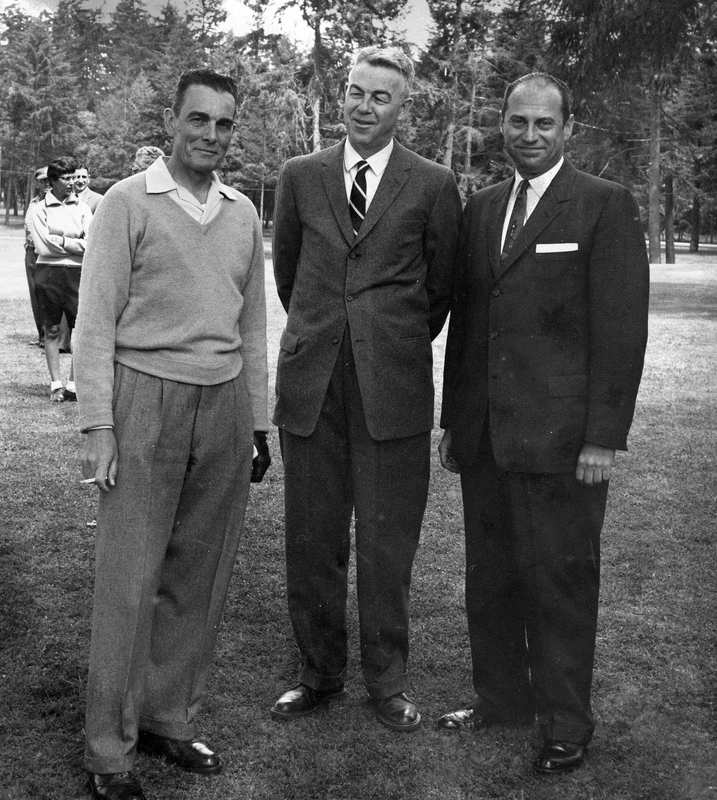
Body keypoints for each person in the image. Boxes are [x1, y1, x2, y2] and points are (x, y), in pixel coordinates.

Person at [437, 73, 649, 774]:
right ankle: (500, 701)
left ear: (567, 129)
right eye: (517, 122)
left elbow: (620, 333)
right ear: (501, 122)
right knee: (489, 577)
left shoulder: (602, 206)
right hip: (488, 438)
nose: (528, 136)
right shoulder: (482, 208)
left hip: (564, 445)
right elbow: (469, 326)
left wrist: (601, 438)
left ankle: (565, 724)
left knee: (558, 583)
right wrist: (453, 424)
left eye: (542, 125)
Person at [73, 68, 270, 800]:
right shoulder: (127, 203)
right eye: (199, 120)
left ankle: (167, 716)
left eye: (224, 123)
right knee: (129, 584)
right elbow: (93, 323)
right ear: (173, 122)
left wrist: (256, 422)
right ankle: (107, 750)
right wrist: (100, 426)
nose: (211, 136)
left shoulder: (243, 213)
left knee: (199, 576)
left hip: (221, 405)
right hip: (143, 401)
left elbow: (251, 326)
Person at [271, 46, 462, 732]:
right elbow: (288, 276)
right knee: (312, 540)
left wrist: (385, 341)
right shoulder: (299, 176)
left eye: (380, 97)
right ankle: (318, 675)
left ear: (401, 108)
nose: (362, 105)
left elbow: (437, 292)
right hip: (312, 386)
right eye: (354, 91)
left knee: (387, 547)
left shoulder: (434, 183)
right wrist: (326, 335)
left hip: (393, 390)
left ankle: (387, 683)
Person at [29, 156, 93, 402]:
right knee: (53, 329)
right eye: (66, 178)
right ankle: (56, 384)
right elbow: (44, 248)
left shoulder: (83, 208)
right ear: (52, 181)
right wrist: (79, 244)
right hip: (49, 275)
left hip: (78, 275)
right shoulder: (39, 209)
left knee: (83, 331)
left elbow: (93, 244)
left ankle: (73, 385)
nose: (72, 183)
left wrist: (62, 241)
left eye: (75, 177)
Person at [23, 166, 50, 347]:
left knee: (49, 294)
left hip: (47, 253)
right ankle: (42, 334)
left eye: (50, 179)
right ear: (36, 183)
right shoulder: (34, 202)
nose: (47, 183)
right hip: (31, 251)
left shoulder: (57, 202)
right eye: (42, 180)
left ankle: (51, 336)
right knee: (35, 293)